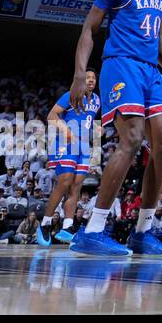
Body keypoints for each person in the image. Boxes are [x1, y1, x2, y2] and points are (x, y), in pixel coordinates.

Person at [69, 0, 162, 258]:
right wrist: (79, 72)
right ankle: (92, 230)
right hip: (121, 65)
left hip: (150, 69)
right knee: (130, 140)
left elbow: (155, 31)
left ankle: (142, 232)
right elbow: (89, 28)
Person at [38, 69, 101, 246]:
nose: (91, 80)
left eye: (93, 78)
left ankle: (67, 226)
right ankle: (45, 224)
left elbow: (87, 120)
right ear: (81, 80)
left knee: (76, 186)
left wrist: (97, 130)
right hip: (66, 142)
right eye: (87, 77)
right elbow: (52, 114)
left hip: (83, 145)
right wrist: (66, 130)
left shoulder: (97, 100)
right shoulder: (72, 94)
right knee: (65, 181)